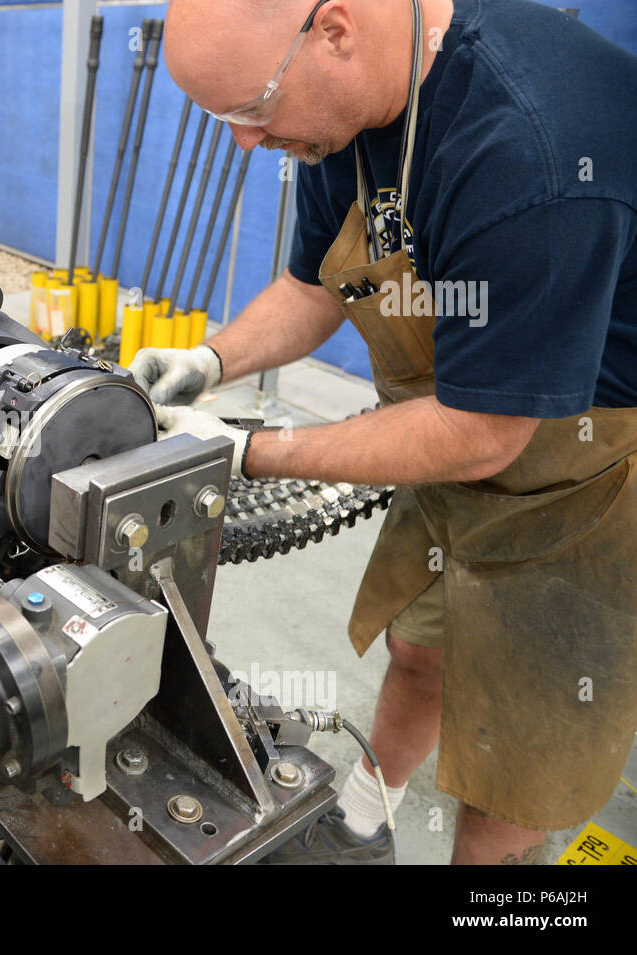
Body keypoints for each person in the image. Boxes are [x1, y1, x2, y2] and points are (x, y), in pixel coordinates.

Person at [137, 0, 637, 864]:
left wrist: (250, 449)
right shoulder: (349, 114)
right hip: (456, 413)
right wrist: (210, 362)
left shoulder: (529, 145)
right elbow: (313, 288)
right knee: (417, 642)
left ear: (333, 31)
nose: (245, 144)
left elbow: (486, 432)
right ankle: (367, 814)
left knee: (510, 771)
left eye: (251, 111)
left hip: (583, 469)